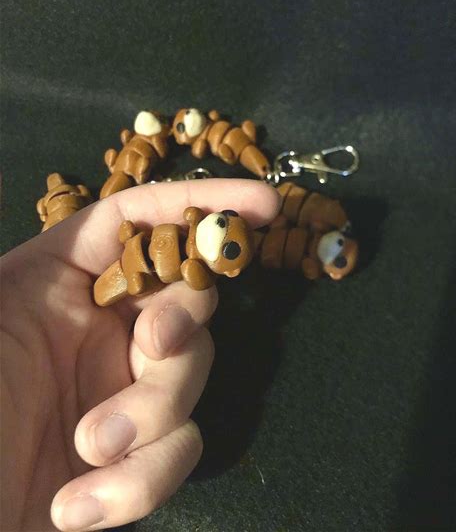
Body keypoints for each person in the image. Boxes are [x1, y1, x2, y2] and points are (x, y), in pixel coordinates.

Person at [0, 179, 280, 532]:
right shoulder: (191, 231)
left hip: (141, 270)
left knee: (164, 334)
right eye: (224, 219)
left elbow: (193, 276)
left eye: (229, 246)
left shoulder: (195, 267)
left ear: (231, 269)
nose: (219, 228)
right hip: (137, 255)